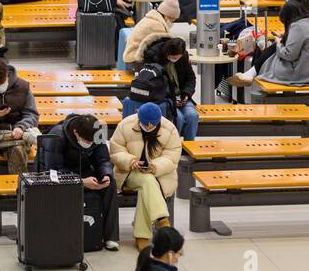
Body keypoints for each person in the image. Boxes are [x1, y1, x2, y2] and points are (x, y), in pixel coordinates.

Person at [38, 113, 120, 251]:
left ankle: (110, 236)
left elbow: (103, 160)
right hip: (58, 176)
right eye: (86, 141)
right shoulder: (56, 136)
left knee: (110, 184)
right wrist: (81, 181)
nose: (89, 144)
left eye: (92, 142)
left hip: (85, 172)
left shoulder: (97, 132)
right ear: (75, 132)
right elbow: (53, 171)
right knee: (64, 187)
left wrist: (105, 174)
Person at [109, 102, 180, 250]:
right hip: (129, 172)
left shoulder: (170, 129)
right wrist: (130, 161)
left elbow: (172, 156)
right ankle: (161, 220)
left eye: (151, 125)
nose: (148, 127)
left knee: (146, 186)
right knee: (147, 182)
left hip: (159, 174)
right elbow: (115, 151)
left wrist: (155, 166)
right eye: (145, 124)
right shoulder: (125, 125)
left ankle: (142, 236)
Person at [126, 36, 198, 140]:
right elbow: (153, 84)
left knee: (192, 116)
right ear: (167, 53)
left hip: (181, 96)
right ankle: (173, 146)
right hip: (163, 98)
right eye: (172, 57)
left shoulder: (183, 57)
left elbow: (190, 78)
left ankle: (189, 147)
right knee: (179, 118)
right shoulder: (153, 55)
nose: (174, 60)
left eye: (176, 58)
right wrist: (172, 99)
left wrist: (186, 94)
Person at [255, 0, 309, 85]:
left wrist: (278, 43)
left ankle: (253, 72)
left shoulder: (297, 26)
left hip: (306, 75)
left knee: (274, 51)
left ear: (288, 18)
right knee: (278, 46)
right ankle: (252, 72)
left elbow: (289, 55)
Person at [123, 0, 182, 67]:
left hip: (131, 59)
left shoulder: (152, 19)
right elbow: (168, 47)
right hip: (135, 61)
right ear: (167, 16)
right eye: (172, 19)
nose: (172, 23)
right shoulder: (157, 25)